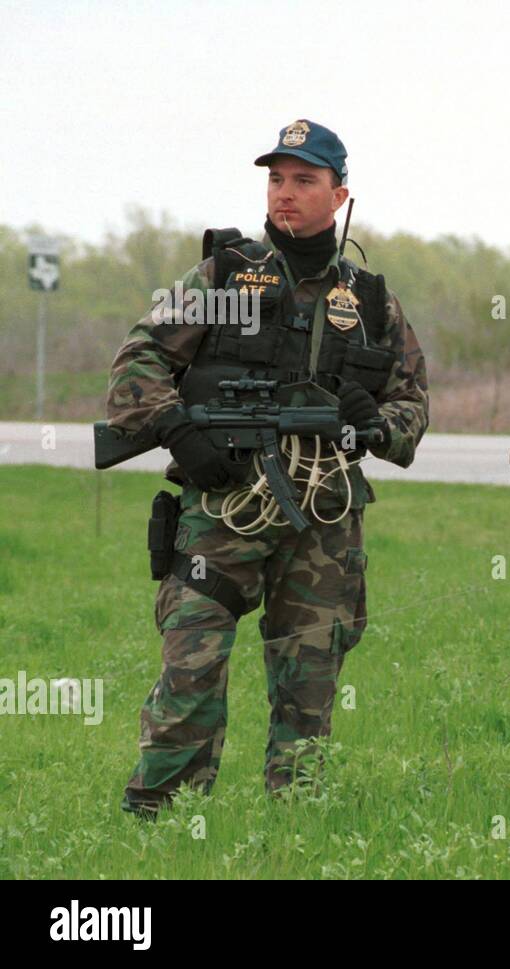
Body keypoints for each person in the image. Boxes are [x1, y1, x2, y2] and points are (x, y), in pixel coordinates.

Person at [106, 119, 429, 817]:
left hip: (325, 517)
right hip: (221, 508)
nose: (285, 194)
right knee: (191, 665)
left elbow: (411, 403)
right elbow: (137, 363)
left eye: (304, 180)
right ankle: (159, 817)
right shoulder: (223, 276)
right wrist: (177, 431)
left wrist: (373, 424)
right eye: (277, 179)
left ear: (340, 195)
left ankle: (297, 822)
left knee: (309, 681)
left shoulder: (370, 300)